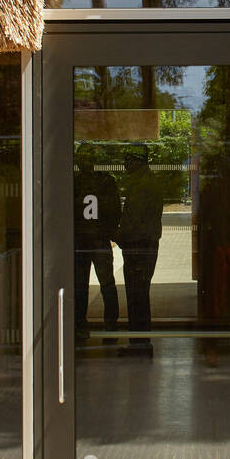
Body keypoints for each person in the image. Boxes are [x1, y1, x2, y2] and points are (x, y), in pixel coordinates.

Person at [115, 148, 164, 353]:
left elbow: (133, 221)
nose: (125, 165)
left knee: (136, 295)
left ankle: (139, 343)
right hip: (146, 243)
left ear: (138, 162)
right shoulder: (149, 182)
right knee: (140, 294)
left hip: (138, 245)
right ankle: (140, 341)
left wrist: (115, 235)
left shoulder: (142, 186)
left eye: (128, 160)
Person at [72, 145, 121, 340]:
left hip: (80, 240)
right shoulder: (106, 181)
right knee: (107, 284)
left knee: (80, 285)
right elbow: (115, 209)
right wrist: (108, 231)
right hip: (99, 239)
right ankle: (111, 327)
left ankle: (80, 326)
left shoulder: (74, 183)